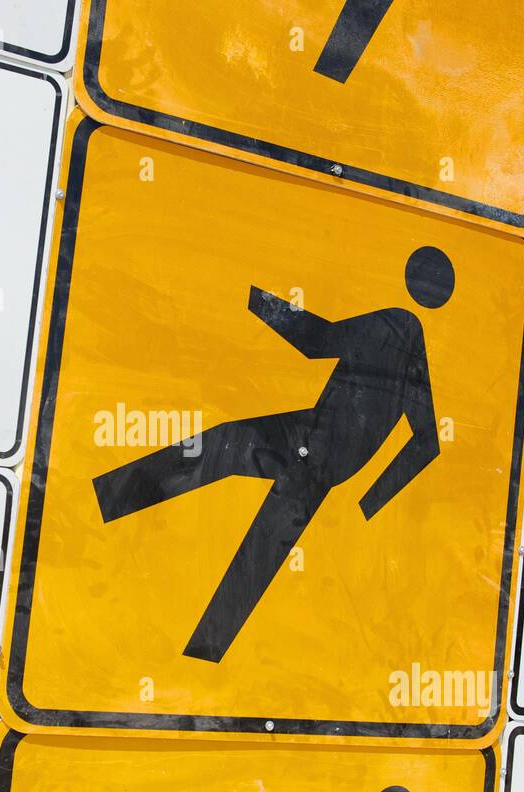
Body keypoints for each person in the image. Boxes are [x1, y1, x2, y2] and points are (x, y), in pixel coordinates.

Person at [93, 246, 455, 662]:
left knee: (230, 468)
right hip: (325, 451)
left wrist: (253, 297)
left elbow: (318, 340)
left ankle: (111, 497)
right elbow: (427, 439)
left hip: (316, 445)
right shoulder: (414, 346)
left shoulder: (394, 325)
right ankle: (201, 655)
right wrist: (367, 499)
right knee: (253, 522)